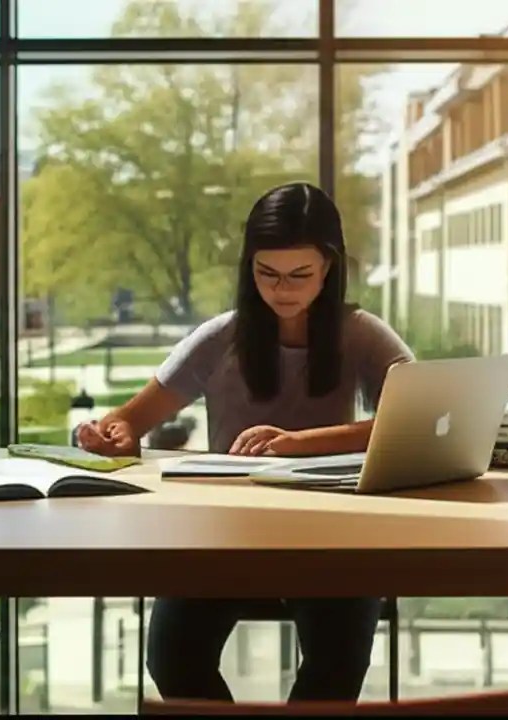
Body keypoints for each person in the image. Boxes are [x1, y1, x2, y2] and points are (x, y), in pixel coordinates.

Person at [75, 182, 415, 703]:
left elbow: (414, 418)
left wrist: (298, 443)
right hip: (226, 529)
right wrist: (114, 432)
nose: (282, 289)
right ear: (247, 267)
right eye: (266, 273)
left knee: (335, 667)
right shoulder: (222, 336)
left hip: (333, 530)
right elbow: (132, 419)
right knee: (172, 656)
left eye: (300, 274)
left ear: (329, 267)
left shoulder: (361, 333)